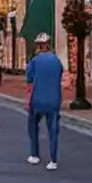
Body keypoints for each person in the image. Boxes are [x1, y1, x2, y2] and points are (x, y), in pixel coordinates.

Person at [25, 32, 64, 170]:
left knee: (33, 125)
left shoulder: (34, 61)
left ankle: (34, 154)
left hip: (37, 99)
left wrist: (28, 98)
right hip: (54, 99)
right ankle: (53, 160)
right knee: (53, 129)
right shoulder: (56, 61)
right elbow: (60, 75)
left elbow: (29, 80)